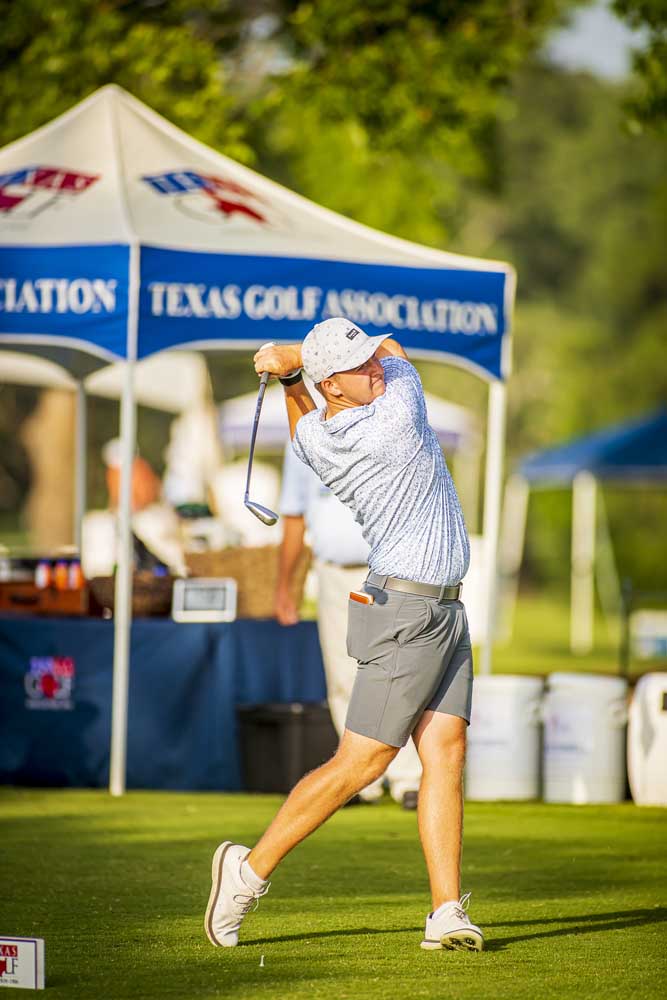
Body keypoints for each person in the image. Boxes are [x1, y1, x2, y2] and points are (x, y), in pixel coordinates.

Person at [204, 318, 482, 953]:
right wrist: (295, 356)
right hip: (407, 614)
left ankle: (445, 912)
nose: (373, 368)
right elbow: (394, 347)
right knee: (362, 761)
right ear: (333, 386)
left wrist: (290, 369)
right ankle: (245, 875)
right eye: (356, 368)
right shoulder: (398, 417)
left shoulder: (315, 437)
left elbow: (305, 413)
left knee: (445, 751)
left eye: (366, 361)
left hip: (441, 608)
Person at [276, 440, 422, 808]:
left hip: (388, 572)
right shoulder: (301, 439)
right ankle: (360, 779)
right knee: (342, 677)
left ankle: (407, 778)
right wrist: (285, 585)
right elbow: (294, 516)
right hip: (332, 572)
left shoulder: (377, 425)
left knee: (396, 674)